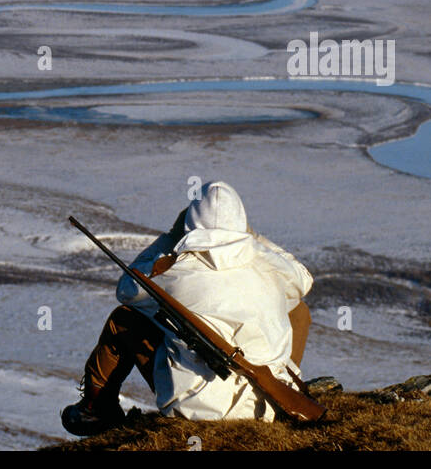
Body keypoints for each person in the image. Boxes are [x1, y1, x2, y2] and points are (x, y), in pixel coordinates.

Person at [62, 180, 313, 436]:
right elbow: (303, 281)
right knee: (298, 310)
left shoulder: (176, 271)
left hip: (197, 410)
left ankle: (95, 409)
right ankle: (287, 383)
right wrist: (254, 238)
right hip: (269, 407)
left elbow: (127, 290)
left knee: (123, 320)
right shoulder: (268, 266)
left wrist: (172, 237)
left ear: (190, 223)